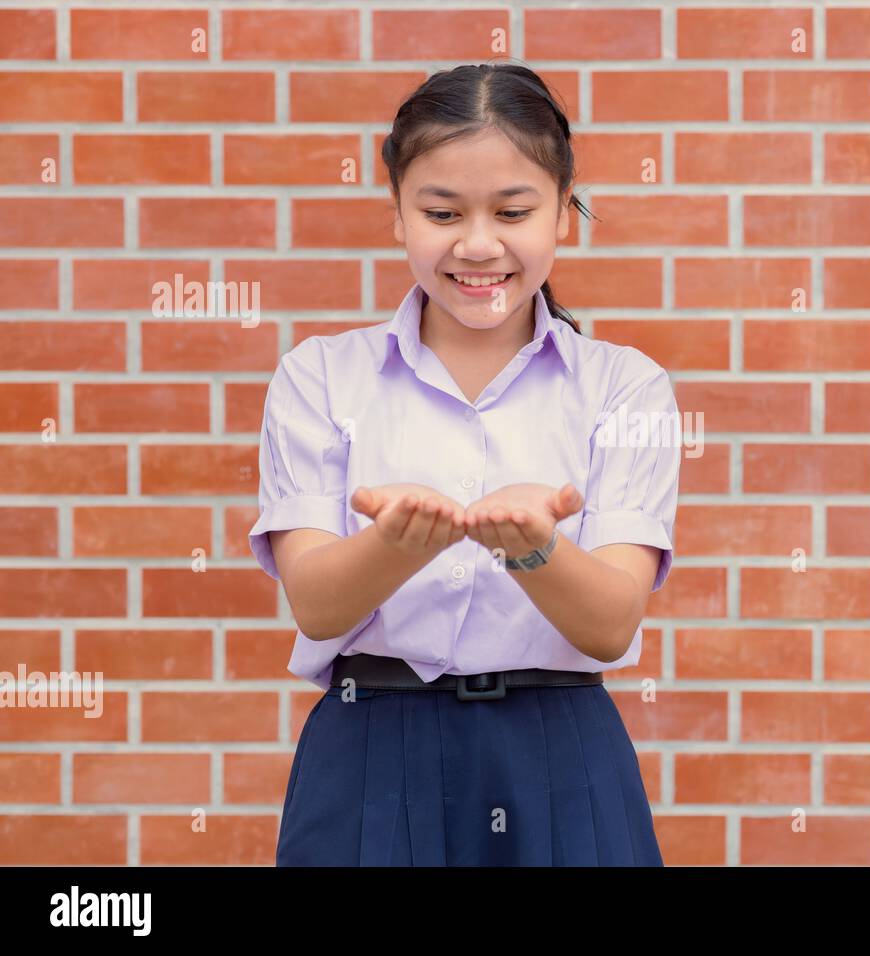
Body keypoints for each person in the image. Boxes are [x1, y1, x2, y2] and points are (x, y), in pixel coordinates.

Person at [247, 62, 680, 866]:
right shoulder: (318, 376)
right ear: (398, 215)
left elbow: (612, 622)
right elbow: (316, 605)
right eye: (441, 211)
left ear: (563, 214)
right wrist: (399, 545)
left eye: (514, 211)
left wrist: (531, 548)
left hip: (559, 757)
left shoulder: (627, 386)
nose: (478, 245)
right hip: (370, 750)